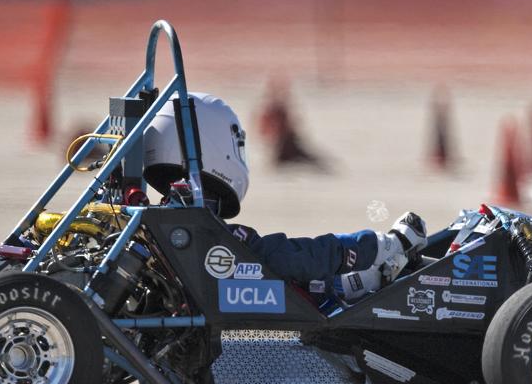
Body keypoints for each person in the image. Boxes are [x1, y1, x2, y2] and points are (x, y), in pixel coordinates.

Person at [143, 92, 427, 301]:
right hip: (242, 327)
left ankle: (364, 279)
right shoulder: (197, 224)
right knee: (293, 267)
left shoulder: (164, 218)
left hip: (197, 305)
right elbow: (281, 258)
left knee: (304, 279)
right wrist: (378, 245)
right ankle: (384, 255)